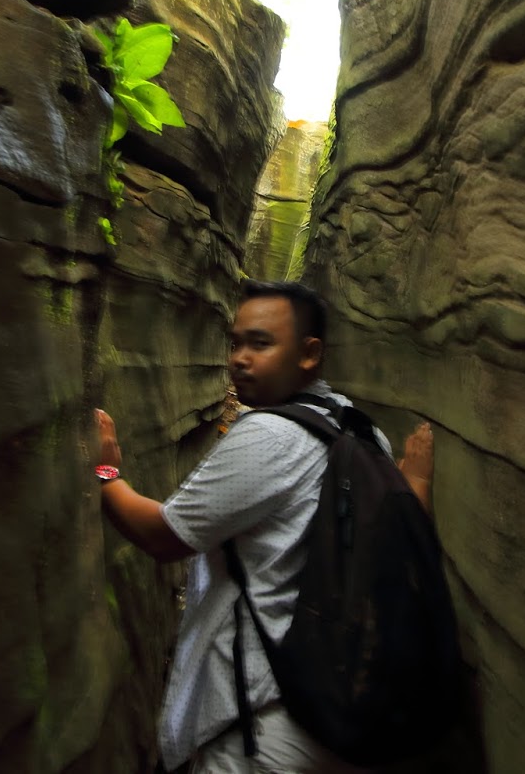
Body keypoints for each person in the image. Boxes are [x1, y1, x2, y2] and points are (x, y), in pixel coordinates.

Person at [92, 280, 435, 773]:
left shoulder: (270, 435)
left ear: (309, 353)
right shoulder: (362, 431)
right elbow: (399, 543)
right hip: (346, 709)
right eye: (235, 343)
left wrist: (105, 475)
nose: (238, 358)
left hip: (267, 719)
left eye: (260, 343)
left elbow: (163, 537)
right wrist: (417, 483)